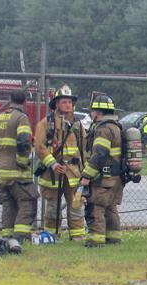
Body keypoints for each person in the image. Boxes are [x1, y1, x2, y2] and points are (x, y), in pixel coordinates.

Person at [0, 90, 37, 252]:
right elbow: (23, 143)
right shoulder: (22, 118)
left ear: (10, 100)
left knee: (9, 205)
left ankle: (7, 237)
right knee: (27, 203)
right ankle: (20, 238)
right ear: (25, 102)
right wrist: (23, 162)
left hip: (3, 174)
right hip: (18, 174)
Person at [34, 85, 87, 240]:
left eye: (69, 102)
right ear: (56, 104)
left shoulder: (78, 124)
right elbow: (39, 146)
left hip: (73, 173)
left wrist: (86, 170)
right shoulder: (45, 123)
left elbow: (84, 149)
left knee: (77, 205)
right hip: (52, 174)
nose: (68, 105)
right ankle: (51, 236)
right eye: (64, 102)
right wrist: (53, 164)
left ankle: (77, 237)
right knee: (52, 207)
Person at [79, 93, 123, 247]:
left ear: (98, 112)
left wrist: (86, 175)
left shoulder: (103, 129)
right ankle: (113, 239)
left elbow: (99, 155)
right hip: (115, 177)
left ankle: (95, 241)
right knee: (110, 207)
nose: (91, 114)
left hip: (103, 177)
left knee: (95, 206)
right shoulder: (115, 126)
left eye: (92, 111)